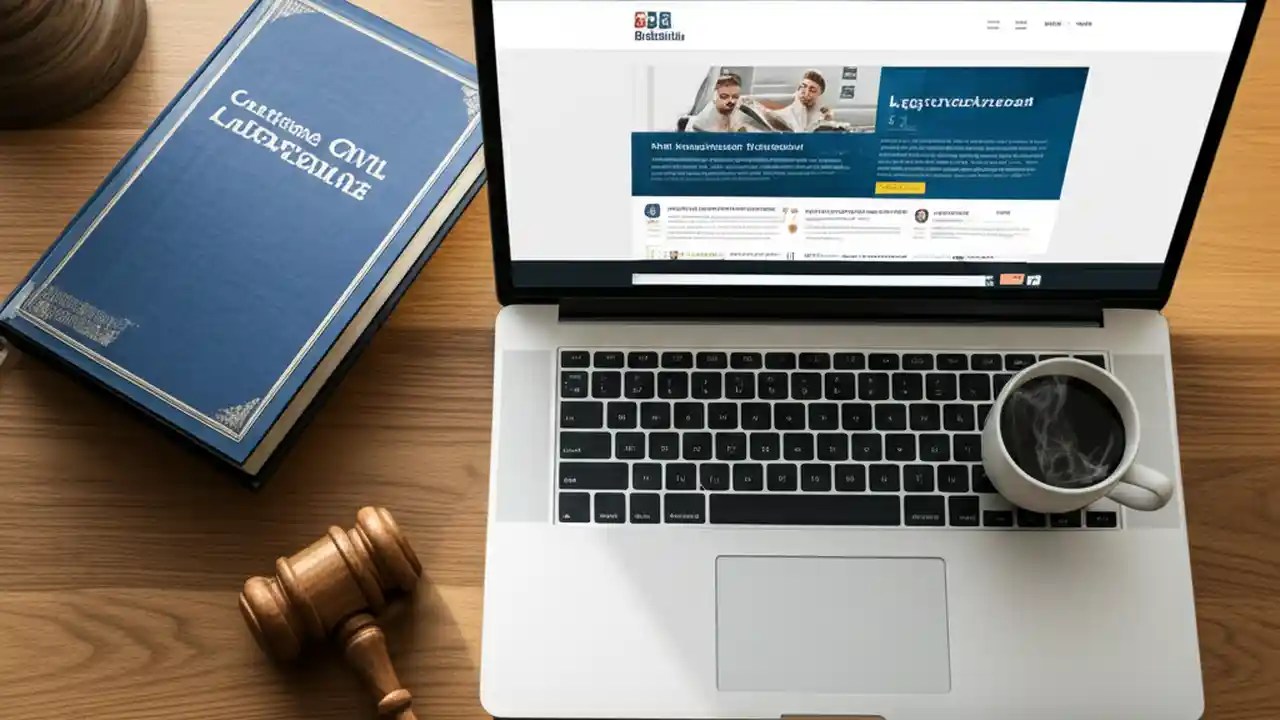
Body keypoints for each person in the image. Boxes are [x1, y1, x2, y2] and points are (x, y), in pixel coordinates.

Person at [762, 69, 833, 132]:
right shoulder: (781, 117)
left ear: (819, 96)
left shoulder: (821, 120)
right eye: (803, 86)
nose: (806, 93)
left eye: (812, 90)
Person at [685, 73, 749, 132]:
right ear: (714, 96)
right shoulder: (703, 122)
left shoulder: (741, 112)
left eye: (735, 97)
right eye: (724, 96)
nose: (731, 101)